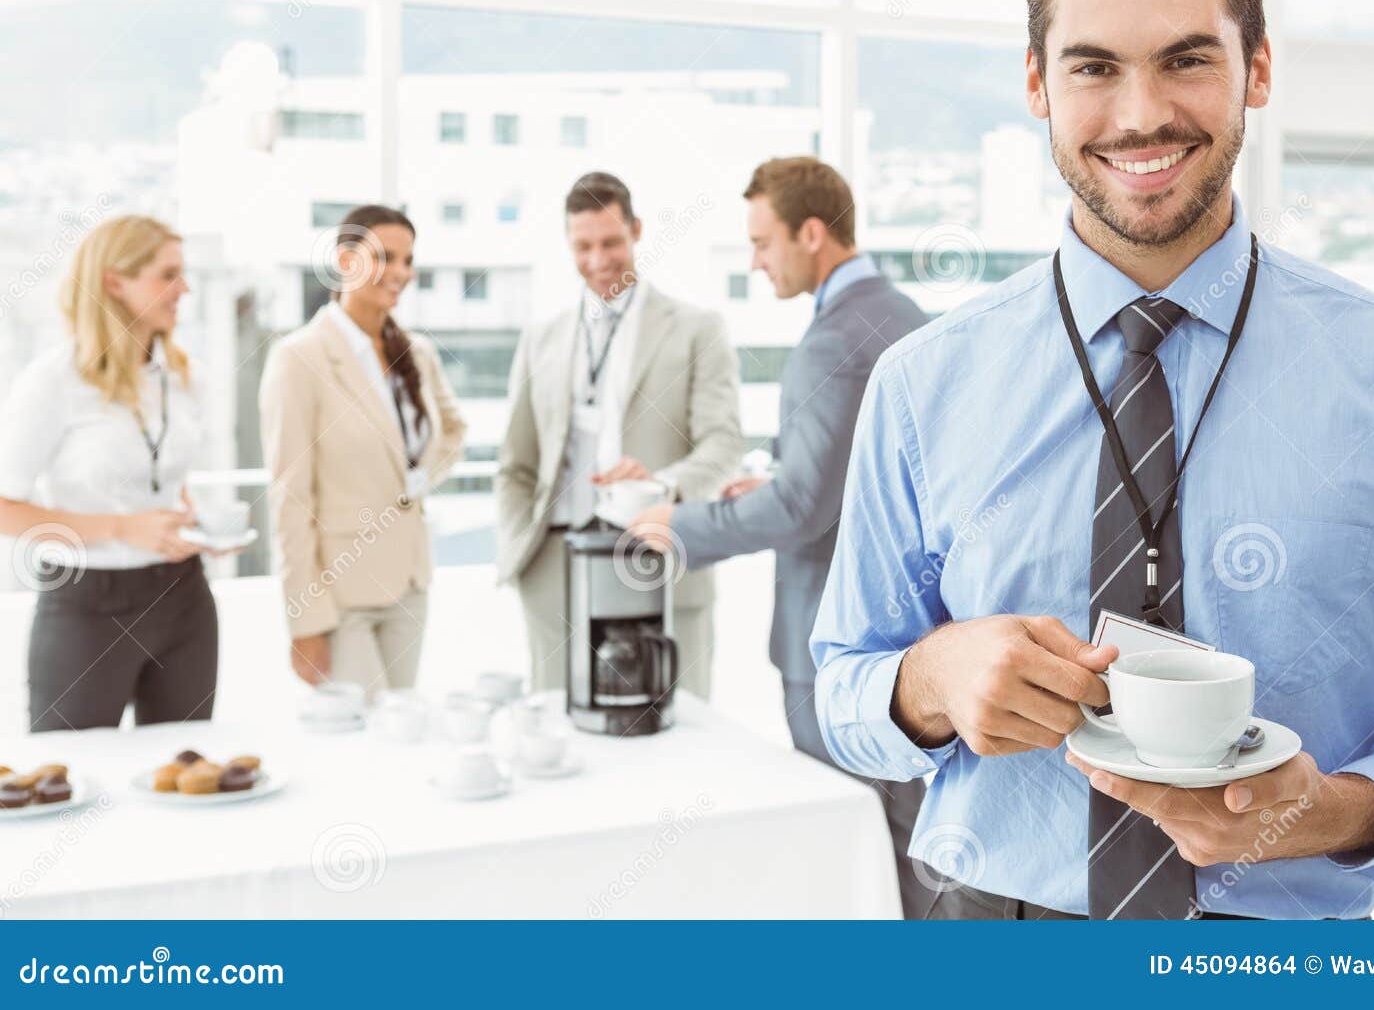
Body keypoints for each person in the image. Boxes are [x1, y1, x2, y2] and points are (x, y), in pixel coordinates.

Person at [810, 0, 1374, 920]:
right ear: (1037, 83)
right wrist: (926, 682)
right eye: (1093, 67)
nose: (1140, 113)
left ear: (1255, 70)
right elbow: (841, 683)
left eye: (1186, 58)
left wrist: (1338, 809)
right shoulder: (920, 383)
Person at [628, 157, 930, 915]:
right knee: (907, 838)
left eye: (763, 243)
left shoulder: (831, 341)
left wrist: (679, 524)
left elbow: (801, 508)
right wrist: (774, 481)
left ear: (812, 232)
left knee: (860, 850)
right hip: (910, 635)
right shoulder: (907, 318)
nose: (758, 261)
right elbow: (851, 482)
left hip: (832, 638)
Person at [496, 172, 742, 696]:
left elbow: (723, 445)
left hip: (654, 560)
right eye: (582, 246)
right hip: (555, 562)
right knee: (562, 733)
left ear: (636, 230)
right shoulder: (541, 339)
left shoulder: (697, 328)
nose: (598, 259)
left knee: (674, 731)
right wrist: (519, 546)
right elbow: (515, 464)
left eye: (610, 242)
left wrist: (659, 485)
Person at [0, 215, 223, 731]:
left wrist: (189, 521)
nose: (184, 289)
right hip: (87, 604)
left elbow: (158, 474)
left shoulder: (183, 377)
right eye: (167, 274)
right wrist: (125, 529)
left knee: (185, 767)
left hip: (182, 595)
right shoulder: (53, 382)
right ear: (114, 282)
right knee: (65, 776)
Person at [259, 205, 465, 696]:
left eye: (407, 260)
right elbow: (290, 497)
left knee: (403, 732)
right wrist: (303, 620)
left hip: (411, 580)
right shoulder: (300, 358)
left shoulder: (417, 353)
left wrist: (418, 478)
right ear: (345, 261)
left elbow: (452, 431)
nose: (400, 273)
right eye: (385, 257)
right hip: (340, 593)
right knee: (359, 742)